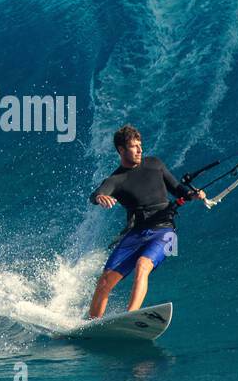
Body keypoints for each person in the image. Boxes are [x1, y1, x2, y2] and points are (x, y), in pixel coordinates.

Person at [87, 124, 203, 318]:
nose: (140, 149)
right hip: (136, 234)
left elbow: (177, 188)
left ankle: (130, 317)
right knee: (105, 282)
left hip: (166, 233)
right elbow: (96, 194)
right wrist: (99, 197)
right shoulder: (116, 179)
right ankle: (92, 325)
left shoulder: (155, 164)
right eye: (134, 146)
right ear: (121, 150)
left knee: (143, 265)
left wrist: (192, 193)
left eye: (140, 145)